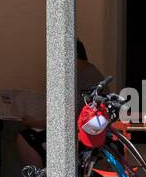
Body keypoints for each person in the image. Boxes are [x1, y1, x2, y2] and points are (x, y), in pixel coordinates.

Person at [15, 39, 103, 169]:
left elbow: (69, 119)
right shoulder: (90, 71)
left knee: (26, 138)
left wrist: (36, 122)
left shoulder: (78, 74)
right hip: (89, 132)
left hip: (82, 137)